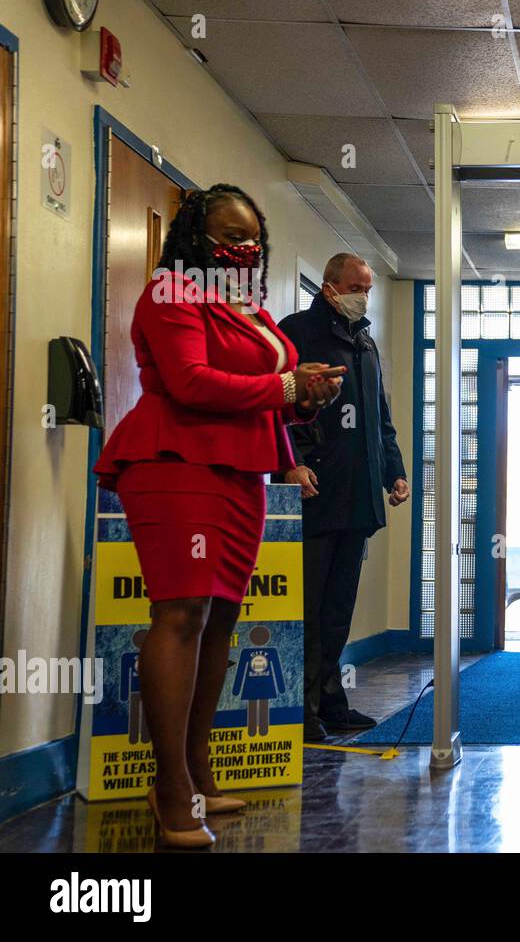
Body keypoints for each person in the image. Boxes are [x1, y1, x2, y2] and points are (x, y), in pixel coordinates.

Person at [94, 184, 343, 847]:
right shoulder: (170, 294)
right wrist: (287, 385)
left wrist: (303, 397)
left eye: (254, 237)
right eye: (231, 237)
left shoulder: (247, 306)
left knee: (221, 619)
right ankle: (170, 787)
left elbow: (264, 395)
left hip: (242, 472)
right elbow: (191, 382)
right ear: (195, 239)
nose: (247, 248)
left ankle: (198, 773)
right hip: (178, 464)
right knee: (180, 614)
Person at [280, 253, 409, 742]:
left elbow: (380, 418)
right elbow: (277, 408)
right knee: (309, 608)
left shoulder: (365, 343)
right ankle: (302, 709)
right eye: (356, 286)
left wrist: (393, 473)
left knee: (337, 608)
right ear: (330, 287)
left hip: (358, 497)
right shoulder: (299, 332)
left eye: (368, 288)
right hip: (315, 492)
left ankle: (332, 702)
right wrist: (290, 462)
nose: (363, 296)